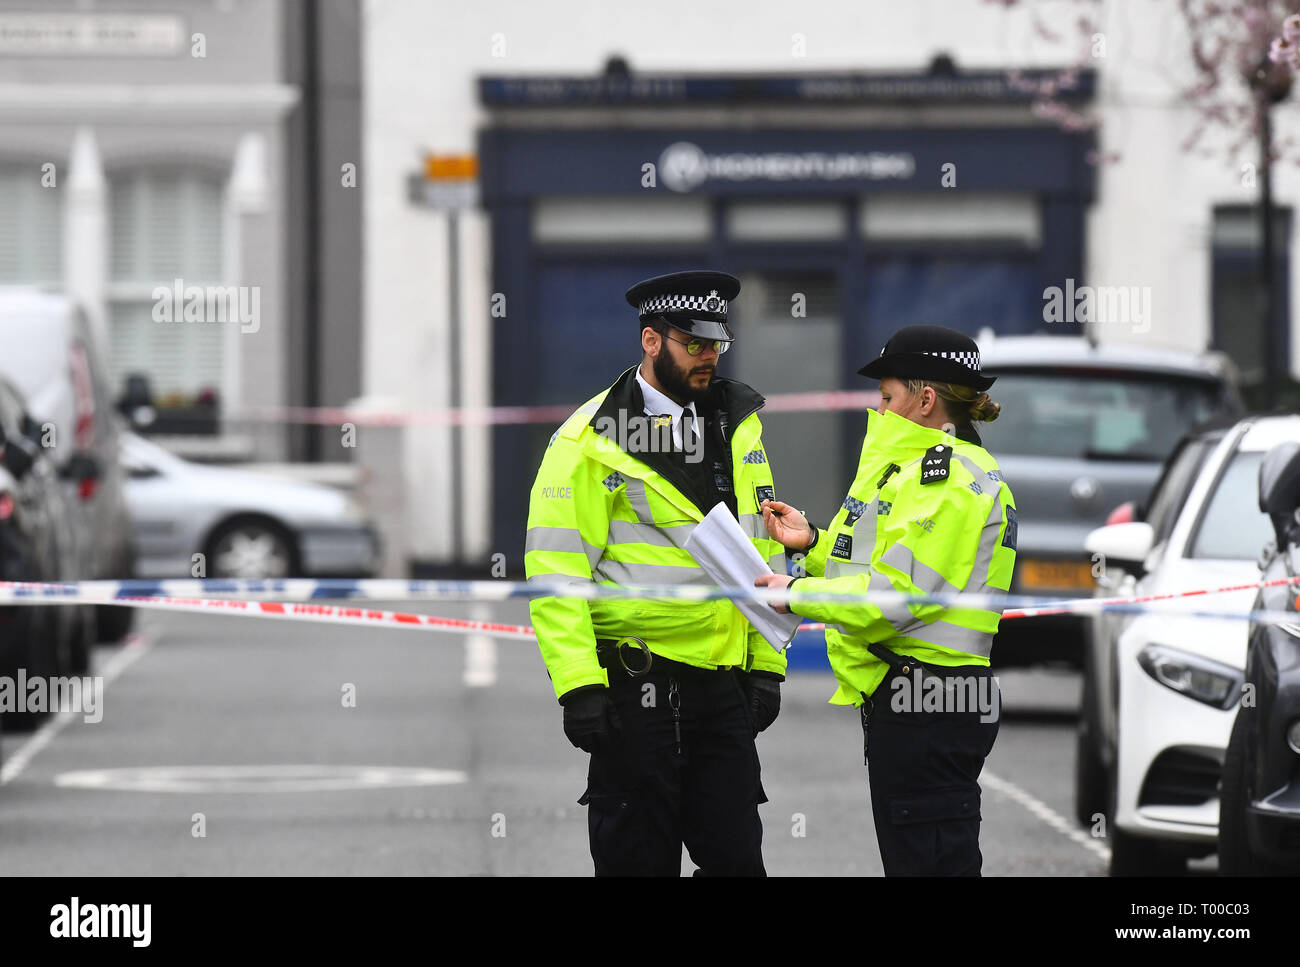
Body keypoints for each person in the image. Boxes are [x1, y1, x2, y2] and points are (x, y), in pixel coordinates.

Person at [525, 270, 788, 877]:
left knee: (738, 863)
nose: (709, 356)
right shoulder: (590, 439)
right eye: (693, 343)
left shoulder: (737, 424)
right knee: (637, 863)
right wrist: (578, 685)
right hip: (635, 690)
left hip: (722, 687)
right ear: (651, 341)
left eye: (716, 343)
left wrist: (767, 665)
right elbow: (557, 566)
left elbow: (763, 549)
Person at [755, 324, 1017, 876]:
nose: (877, 409)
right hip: (921, 696)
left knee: (930, 865)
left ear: (925, 400)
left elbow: (895, 598)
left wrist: (799, 592)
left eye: (886, 396)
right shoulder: (924, 469)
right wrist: (815, 544)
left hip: (928, 699)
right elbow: (881, 568)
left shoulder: (942, 478)